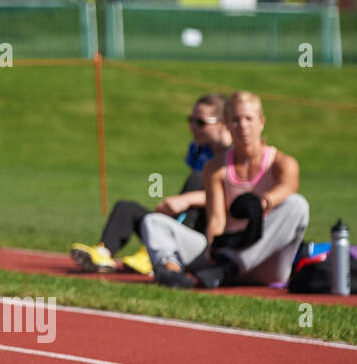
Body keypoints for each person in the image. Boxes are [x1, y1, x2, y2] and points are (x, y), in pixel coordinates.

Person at [145, 91, 310, 289]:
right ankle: (172, 273)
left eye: (249, 118)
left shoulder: (282, 162)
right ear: (227, 125)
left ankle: (229, 266)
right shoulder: (216, 167)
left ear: (261, 121)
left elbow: (288, 187)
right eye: (236, 120)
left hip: (266, 262)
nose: (243, 126)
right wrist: (215, 247)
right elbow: (216, 218)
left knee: (298, 204)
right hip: (224, 254)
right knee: (153, 222)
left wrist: (260, 203)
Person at [71, 93, 232, 275]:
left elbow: (232, 196)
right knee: (126, 208)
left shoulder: (234, 156)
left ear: (223, 124)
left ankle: (153, 253)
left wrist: (186, 200)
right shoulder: (198, 148)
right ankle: (102, 254)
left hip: (209, 231)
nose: (193, 127)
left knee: (196, 180)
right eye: (191, 120)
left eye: (201, 122)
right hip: (186, 221)